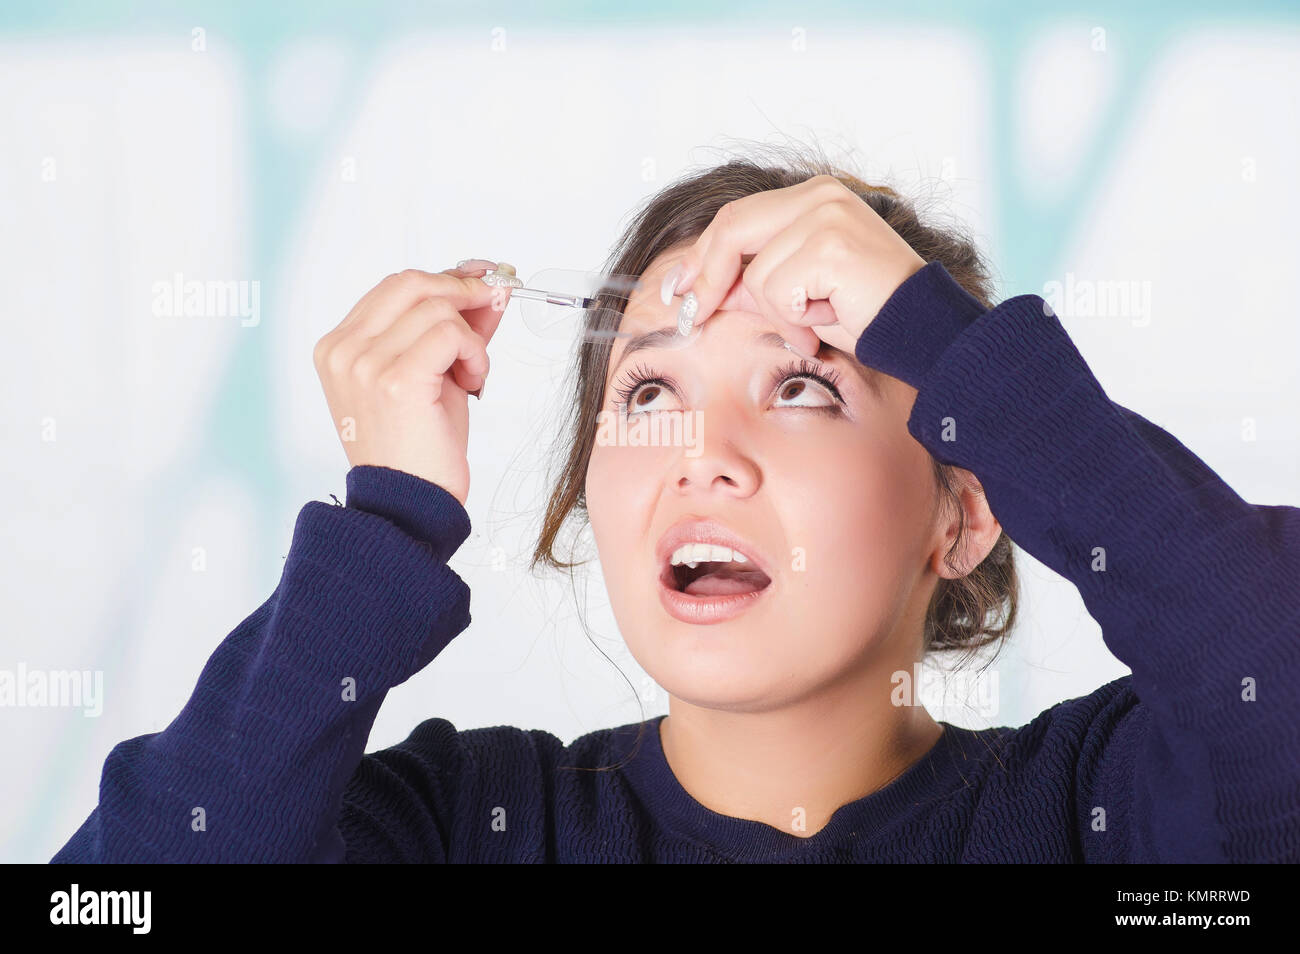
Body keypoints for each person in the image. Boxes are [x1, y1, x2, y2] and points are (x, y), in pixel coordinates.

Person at [51, 148, 1300, 863]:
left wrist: (945, 339)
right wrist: (380, 533)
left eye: (802, 386)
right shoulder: (468, 832)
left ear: (963, 513)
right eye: (649, 389)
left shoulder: (1110, 819)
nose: (705, 453)